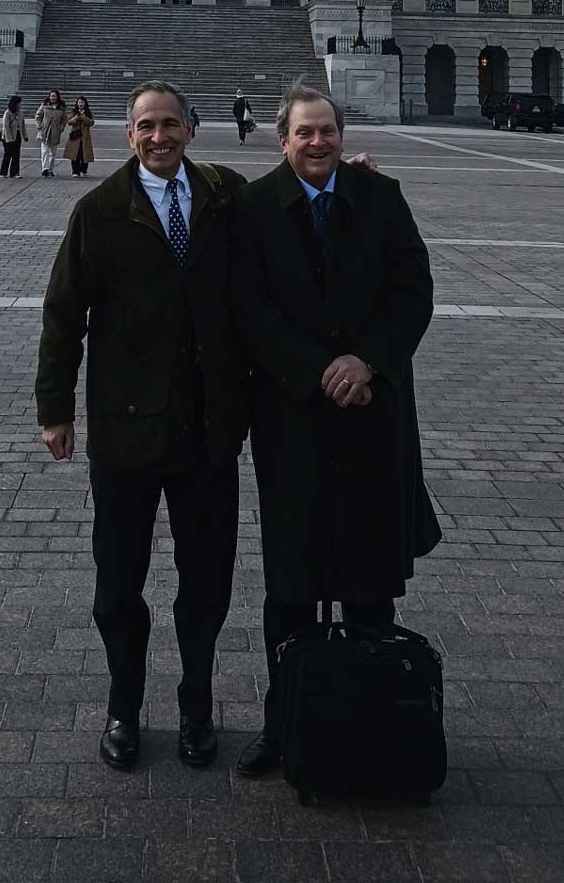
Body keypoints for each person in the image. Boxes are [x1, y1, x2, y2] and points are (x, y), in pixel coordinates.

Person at [35, 82, 249, 774]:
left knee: (207, 582)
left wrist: (352, 180)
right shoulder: (98, 211)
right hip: (127, 429)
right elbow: (63, 316)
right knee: (119, 585)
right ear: (128, 135)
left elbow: (293, 215)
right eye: (146, 127)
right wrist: (55, 409)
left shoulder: (225, 198)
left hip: (208, 429)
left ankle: (195, 705)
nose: (160, 137)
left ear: (192, 127)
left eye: (171, 125)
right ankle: (124, 707)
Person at [230, 78, 440, 778]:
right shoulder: (255, 206)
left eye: (328, 131)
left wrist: (367, 361)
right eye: (304, 133)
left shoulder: (381, 197)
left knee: (369, 577)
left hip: (370, 413)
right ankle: (283, 724)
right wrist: (319, 368)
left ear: (342, 137)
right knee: (290, 584)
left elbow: (414, 291)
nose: (318, 143)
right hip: (294, 417)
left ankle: (373, 719)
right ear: (281, 139)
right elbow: (249, 309)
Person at [36, 90, 68, 177]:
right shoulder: (45, 105)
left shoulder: (61, 108)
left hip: (55, 133)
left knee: (52, 153)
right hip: (45, 131)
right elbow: (38, 116)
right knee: (44, 151)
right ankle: (44, 169)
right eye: (51, 96)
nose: (52, 98)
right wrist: (39, 125)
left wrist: (61, 128)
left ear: (57, 97)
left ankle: (50, 169)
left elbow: (64, 120)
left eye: (54, 96)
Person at [64, 96, 96, 177]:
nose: (80, 104)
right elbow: (69, 121)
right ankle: (75, 171)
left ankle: (84, 170)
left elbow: (91, 122)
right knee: (75, 155)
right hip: (76, 137)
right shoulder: (74, 111)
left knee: (84, 155)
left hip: (85, 138)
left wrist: (83, 117)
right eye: (79, 102)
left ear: (85, 103)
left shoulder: (88, 112)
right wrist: (76, 117)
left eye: (82, 102)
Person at [0, 95, 26, 177]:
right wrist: (9, 139)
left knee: (16, 155)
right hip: (7, 137)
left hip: (17, 135)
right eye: (19, 103)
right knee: (8, 154)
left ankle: (14, 173)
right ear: (15, 103)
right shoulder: (8, 113)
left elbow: (22, 125)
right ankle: (3, 172)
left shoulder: (20, 113)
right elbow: (6, 126)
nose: (20, 105)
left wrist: (25, 136)